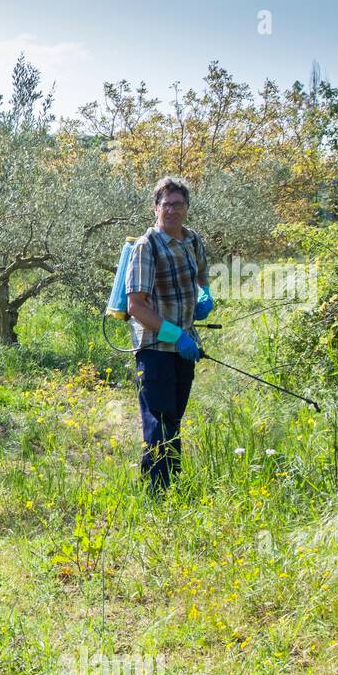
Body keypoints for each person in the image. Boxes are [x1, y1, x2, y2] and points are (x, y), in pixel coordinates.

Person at [124, 176, 215, 492]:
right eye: (166, 204)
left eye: (178, 204)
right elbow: (136, 306)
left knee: (173, 421)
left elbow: (202, 280)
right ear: (155, 208)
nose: (172, 211)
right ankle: (155, 495)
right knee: (158, 425)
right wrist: (175, 334)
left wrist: (205, 296)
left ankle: (173, 489)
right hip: (155, 350)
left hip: (184, 350)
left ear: (187, 208)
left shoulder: (193, 241)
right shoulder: (146, 247)